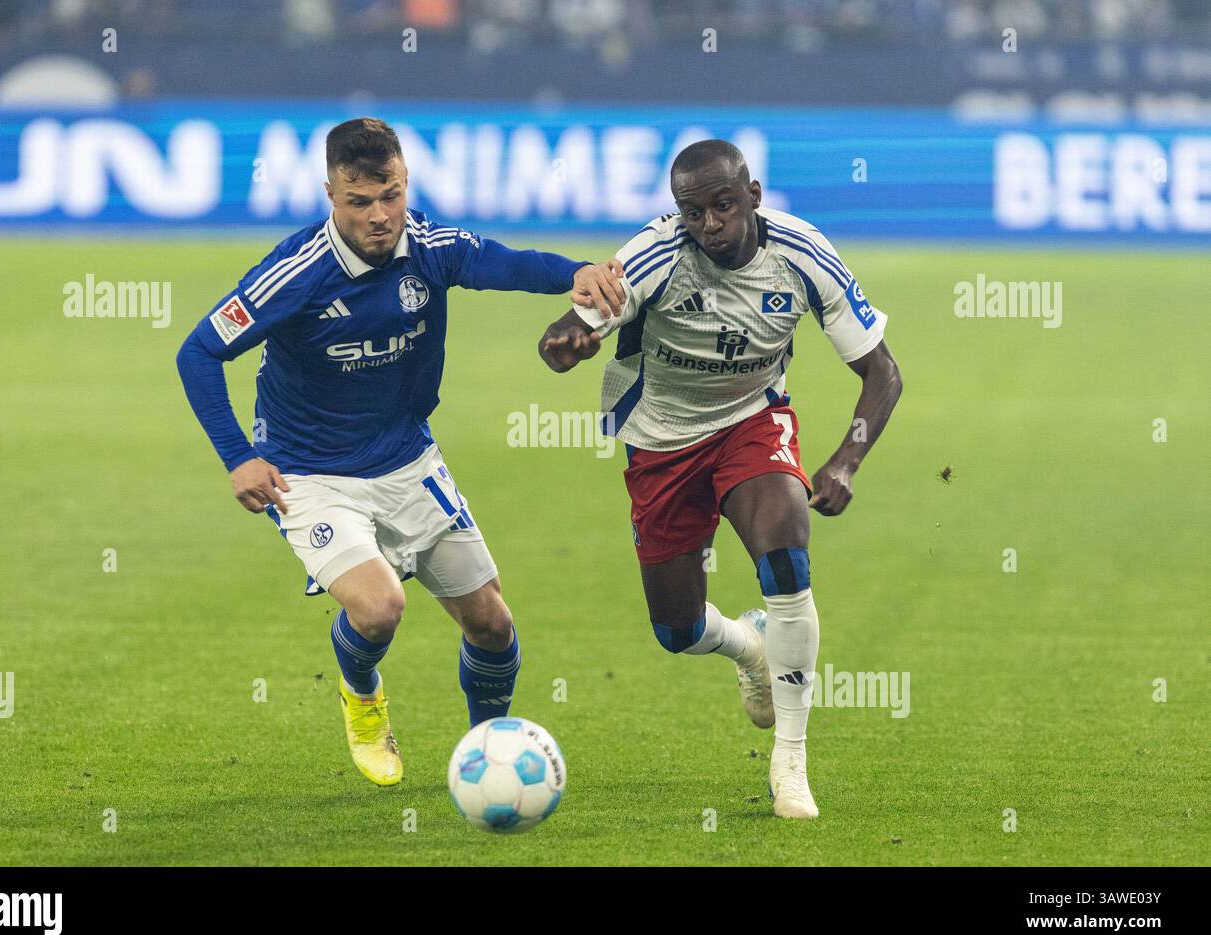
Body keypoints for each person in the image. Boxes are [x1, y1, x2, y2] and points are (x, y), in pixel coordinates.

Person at [177, 117, 625, 787]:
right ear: (331, 193)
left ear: (406, 181)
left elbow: (503, 262)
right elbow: (199, 350)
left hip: (409, 462)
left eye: (390, 195)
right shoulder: (296, 273)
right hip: (309, 473)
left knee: (493, 625)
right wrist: (238, 455)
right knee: (380, 607)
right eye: (360, 202)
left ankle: (487, 755)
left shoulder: (429, 245)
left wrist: (576, 274)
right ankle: (361, 693)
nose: (381, 216)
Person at [537, 139, 902, 818]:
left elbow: (883, 372)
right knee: (675, 629)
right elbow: (567, 331)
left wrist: (845, 460)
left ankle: (790, 762)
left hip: (751, 421)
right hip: (658, 437)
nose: (708, 223)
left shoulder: (802, 254)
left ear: (753, 196)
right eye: (692, 211)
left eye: (722, 205)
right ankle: (747, 646)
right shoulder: (653, 254)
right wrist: (566, 344)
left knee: (788, 558)